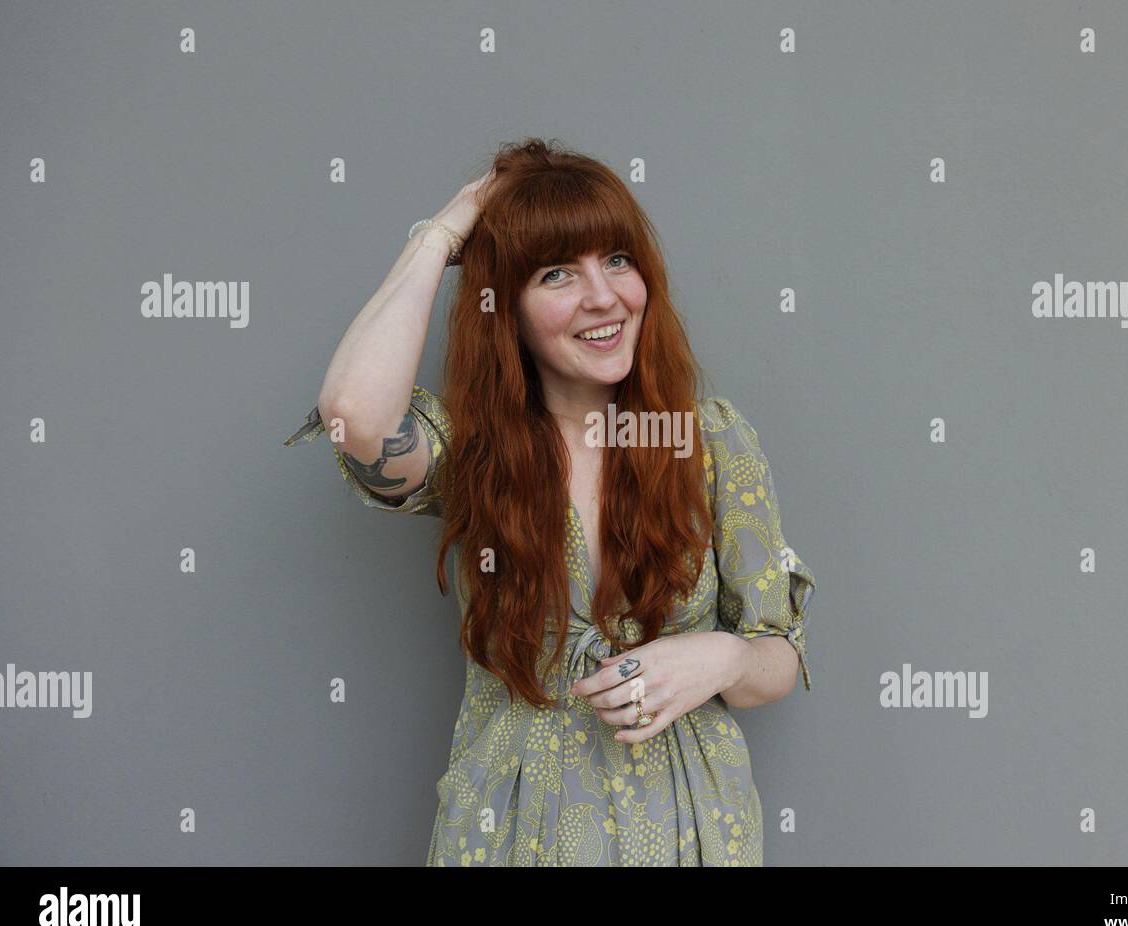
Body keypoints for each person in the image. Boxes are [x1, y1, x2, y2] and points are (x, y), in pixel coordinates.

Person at [284, 137, 815, 865]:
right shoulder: (471, 451)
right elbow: (353, 412)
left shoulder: (710, 441)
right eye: (557, 272)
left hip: (692, 830)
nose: (604, 296)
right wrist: (445, 231)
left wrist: (720, 657)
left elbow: (776, 659)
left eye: (618, 260)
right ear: (505, 306)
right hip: (510, 829)